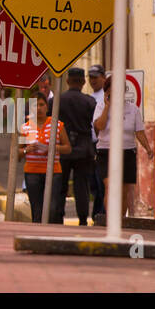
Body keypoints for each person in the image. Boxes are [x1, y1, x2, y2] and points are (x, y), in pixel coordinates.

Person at [94, 78, 153, 218]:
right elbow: (99, 126)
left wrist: (148, 148)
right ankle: (111, 219)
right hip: (106, 151)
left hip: (127, 152)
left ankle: (120, 220)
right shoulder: (100, 107)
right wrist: (108, 107)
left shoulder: (133, 109)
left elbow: (139, 132)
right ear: (107, 91)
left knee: (124, 190)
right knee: (110, 186)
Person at [20, 92, 71, 224]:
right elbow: (18, 153)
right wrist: (27, 149)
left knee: (52, 208)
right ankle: (37, 237)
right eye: (35, 105)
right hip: (32, 173)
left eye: (42, 104)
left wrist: (52, 148)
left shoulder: (57, 125)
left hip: (53, 172)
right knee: (36, 209)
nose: (39, 108)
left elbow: (67, 148)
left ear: (47, 107)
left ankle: (50, 234)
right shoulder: (25, 127)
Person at [56, 67, 97, 226]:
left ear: (67, 81)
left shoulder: (57, 101)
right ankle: (82, 219)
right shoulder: (89, 102)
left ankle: (58, 216)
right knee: (82, 187)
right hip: (83, 149)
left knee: (61, 185)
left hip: (63, 148)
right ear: (83, 82)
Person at [87, 63, 107, 224]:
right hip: (91, 145)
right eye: (90, 78)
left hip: (102, 145)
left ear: (103, 78)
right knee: (94, 184)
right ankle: (97, 214)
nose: (93, 81)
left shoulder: (104, 98)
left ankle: (100, 215)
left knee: (102, 184)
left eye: (95, 77)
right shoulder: (89, 98)